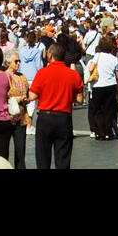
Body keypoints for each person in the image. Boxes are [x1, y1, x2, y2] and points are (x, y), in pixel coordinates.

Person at [29, 43, 84, 171]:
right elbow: (80, 100)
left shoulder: (42, 72)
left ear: (51, 55)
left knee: (43, 157)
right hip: (64, 118)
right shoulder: (73, 75)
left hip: (45, 117)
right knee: (63, 157)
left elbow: (32, 95)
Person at [86, 32, 118, 141]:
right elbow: (117, 74)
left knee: (97, 110)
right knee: (108, 110)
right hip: (110, 85)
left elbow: (91, 68)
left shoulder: (98, 56)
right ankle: (107, 132)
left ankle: (99, 132)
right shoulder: (113, 58)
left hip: (98, 85)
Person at [5, 53, 30, 169]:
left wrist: (26, 99)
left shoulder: (22, 77)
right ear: (8, 62)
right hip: (6, 117)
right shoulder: (4, 77)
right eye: (16, 61)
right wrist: (15, 99)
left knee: (20, 150)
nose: (18, 63)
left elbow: (28, 93)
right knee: (3, 150)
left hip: (21, 118)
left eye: (19, 61)